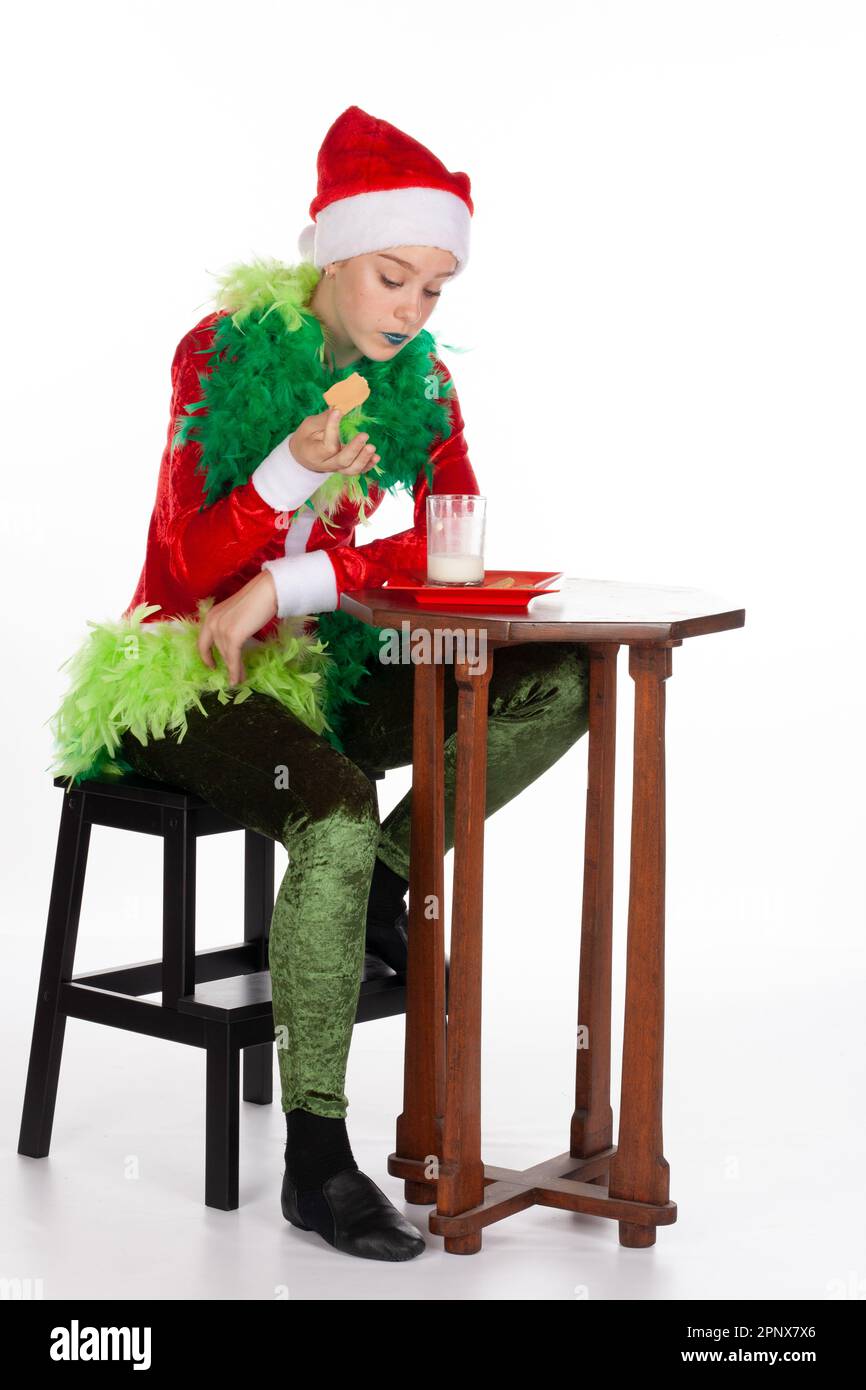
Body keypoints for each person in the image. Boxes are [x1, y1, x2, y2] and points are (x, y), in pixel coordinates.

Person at [48, 105, 591, 1261]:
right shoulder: (222, 349)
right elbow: (188, 566)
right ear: (331, 255)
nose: (412, 309)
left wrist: (297, 581)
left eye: (434, 289)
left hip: (314, 656)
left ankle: (390, 883)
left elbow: (454, 543)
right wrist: (289, 467)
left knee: (559, 681)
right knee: (333, 810)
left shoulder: (421, 382)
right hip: (186, 669)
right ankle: (316, 1159)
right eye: (394, 277)